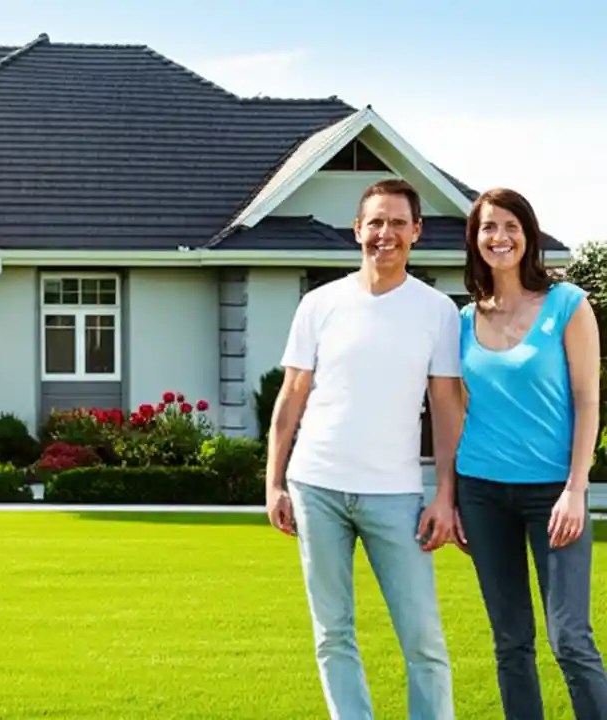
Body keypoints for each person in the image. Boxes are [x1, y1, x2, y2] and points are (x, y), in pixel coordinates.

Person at [265, 178, 463, 719]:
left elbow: (447, 406)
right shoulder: (319, 304)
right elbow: (292, 394)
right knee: (333, 633)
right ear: (357, 230)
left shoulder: (438, 311)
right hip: (316, 486)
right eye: (375, 222)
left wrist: (445, 494)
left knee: (423, 639)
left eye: (398, 222)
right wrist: (274, 482)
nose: (385, 233)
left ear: (417, 232)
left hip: (395, 496)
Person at [453, 186, 607, 719]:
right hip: (482, 492)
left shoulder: (568, 304)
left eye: (511, 226)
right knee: (511, 641)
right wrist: (451, 498)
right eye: (488, 227)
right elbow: (457, 412)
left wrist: (576, 488)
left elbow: (588, 400)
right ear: (475, 239)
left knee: (571, 640)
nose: (500, 237)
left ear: (529, 236)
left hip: (554, 493)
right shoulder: (463, 321)